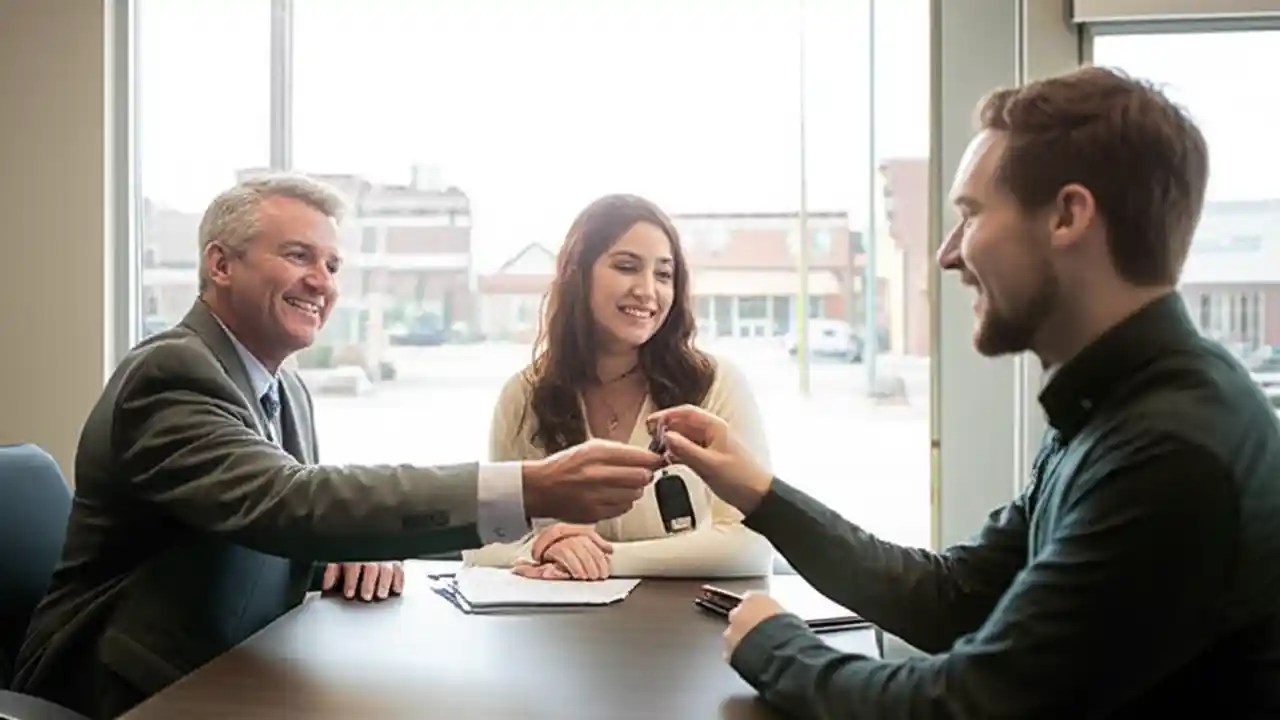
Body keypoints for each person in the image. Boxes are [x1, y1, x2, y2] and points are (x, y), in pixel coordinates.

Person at [646, 66, 1280, 717]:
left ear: (1067, 216)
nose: (948, 254)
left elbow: (970, 707)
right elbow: (952, 596)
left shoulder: (1174, 453)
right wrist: (759, 492)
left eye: (971, 215)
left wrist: (777, 646)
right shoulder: (1110, 413)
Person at [11, 175, 663, 718]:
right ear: (220, 264)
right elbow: (287, 503)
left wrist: (342, 554)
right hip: (124, 688)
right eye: (298, 256)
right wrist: (530, 489)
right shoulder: (170, 375)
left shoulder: (284, 388)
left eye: (332, 265)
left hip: (233, 664)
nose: (321, 281)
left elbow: (268, 521)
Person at [463, 194, 773, 580]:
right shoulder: (524, 395)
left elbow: (753, 545)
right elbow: (484, 547)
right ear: (578, 273)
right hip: (557, 633)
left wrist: (602, 563)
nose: (647, 290)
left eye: (663, 275)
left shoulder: (716, 384)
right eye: (627, 267)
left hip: (682, 631)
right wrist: (544, 546)